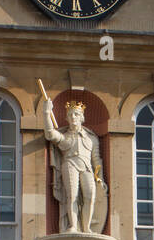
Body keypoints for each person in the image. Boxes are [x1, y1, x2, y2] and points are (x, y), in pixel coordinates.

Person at [43, 98, 106, 233]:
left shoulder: (91, 138)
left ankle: (86, 227)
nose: (73, 117)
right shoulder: (65, 136)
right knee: (72, 196)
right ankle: (73, 226)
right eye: (70, 114)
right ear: (66, 118)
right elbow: (49, 134)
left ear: (82, 117)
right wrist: (47, 112)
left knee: (90, 197)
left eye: (76, 114)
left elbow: (96, 160)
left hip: (87, 168)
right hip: (70, 164)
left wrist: (100, 178)